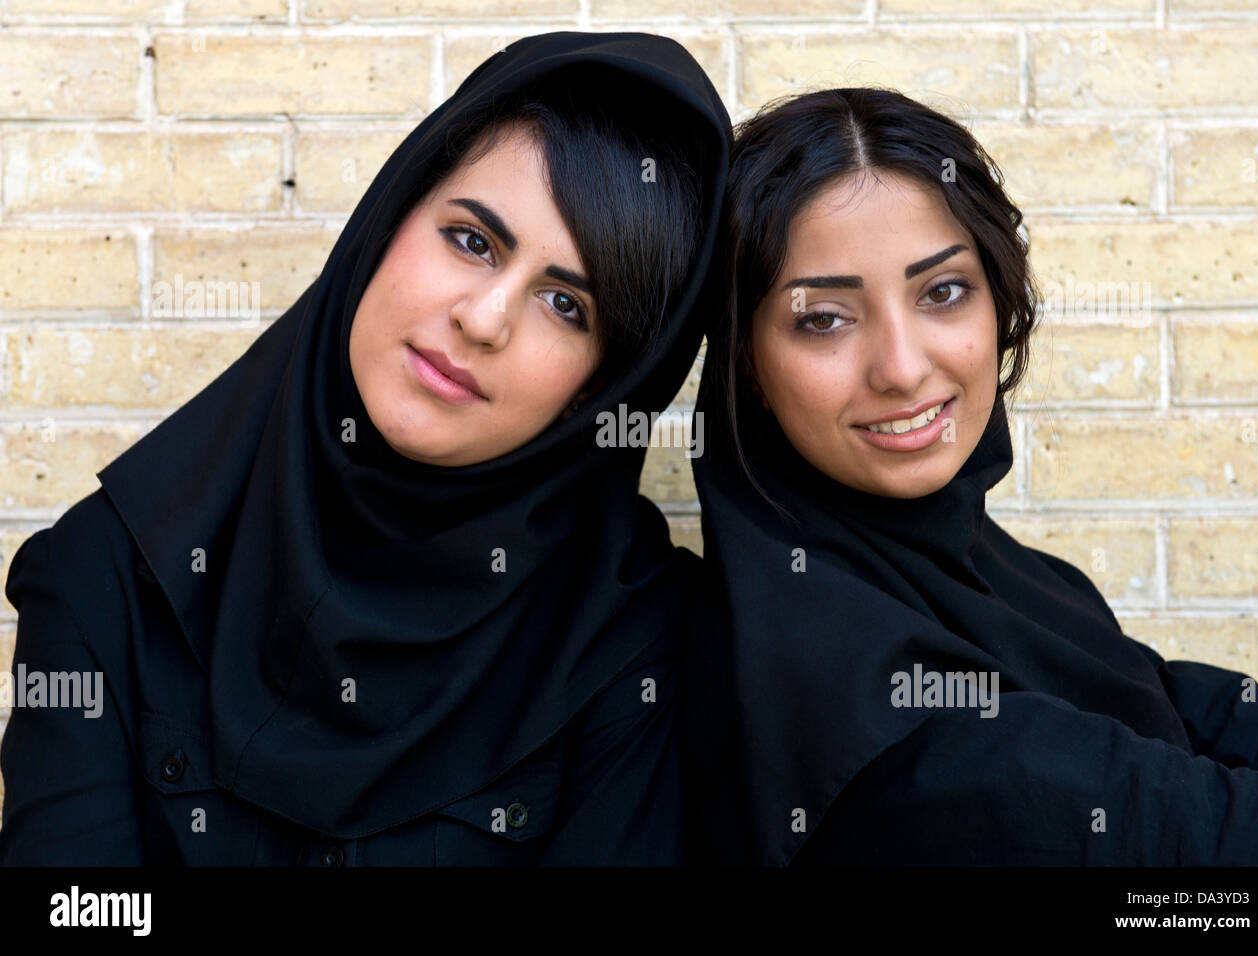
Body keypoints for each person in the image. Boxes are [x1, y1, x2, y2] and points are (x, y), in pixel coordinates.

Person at [0, 30, 732, 866]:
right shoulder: (111, 574)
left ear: (603, 385)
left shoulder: (635, 638)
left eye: (567, 305)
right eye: (472, 240)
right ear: (389, 219)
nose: (483, 319)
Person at [682, 87, 1258, 866]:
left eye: (942, 292)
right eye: (824, 319)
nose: (902, 369)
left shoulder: (1009, 580)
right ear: (746, 359)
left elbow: (1199, 712)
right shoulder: (860, 705)